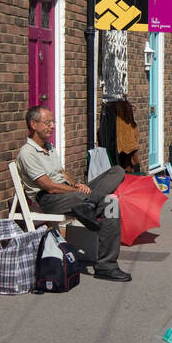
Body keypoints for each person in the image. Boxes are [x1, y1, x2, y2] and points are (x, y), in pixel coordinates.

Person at [16, 107, 131, 282]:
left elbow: (61, 173)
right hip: (49, 199)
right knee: (110, 204)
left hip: (69, 193)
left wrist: (77, 184)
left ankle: (90, 204)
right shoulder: (27, 153)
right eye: (48, 122)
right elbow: (50, 187)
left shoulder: (49, 147)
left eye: (53, 122)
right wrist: (77, 191)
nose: (52, 126)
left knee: (117, 170)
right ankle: (106, 266)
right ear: (33, 124)